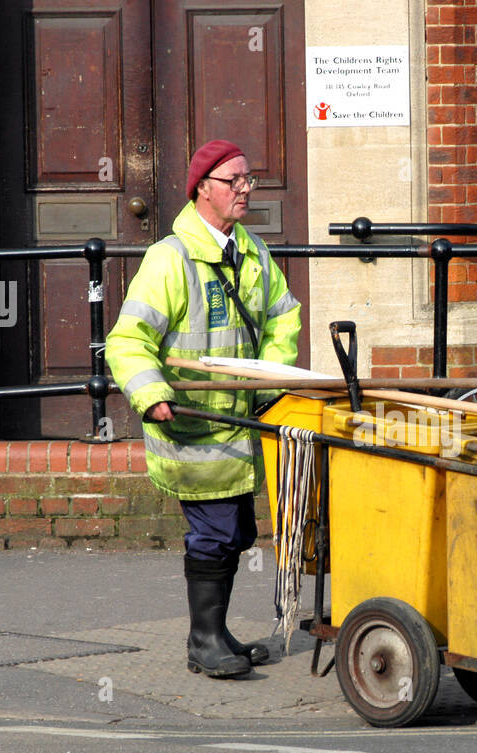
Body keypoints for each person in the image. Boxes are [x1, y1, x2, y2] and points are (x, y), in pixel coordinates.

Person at [106, 140, 302, 679]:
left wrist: (268, 380)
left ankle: (216, 632)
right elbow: (127, 339)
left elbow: (283, 320)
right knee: (215, 531)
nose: (245, 188)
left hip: (237, 428)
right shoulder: (169, 259)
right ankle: (203, 640)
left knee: (236, 530)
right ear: (203, 189)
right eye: (234, 179)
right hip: (191, 428)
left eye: (248, 179)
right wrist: (152, 394)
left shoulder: (254, 254)